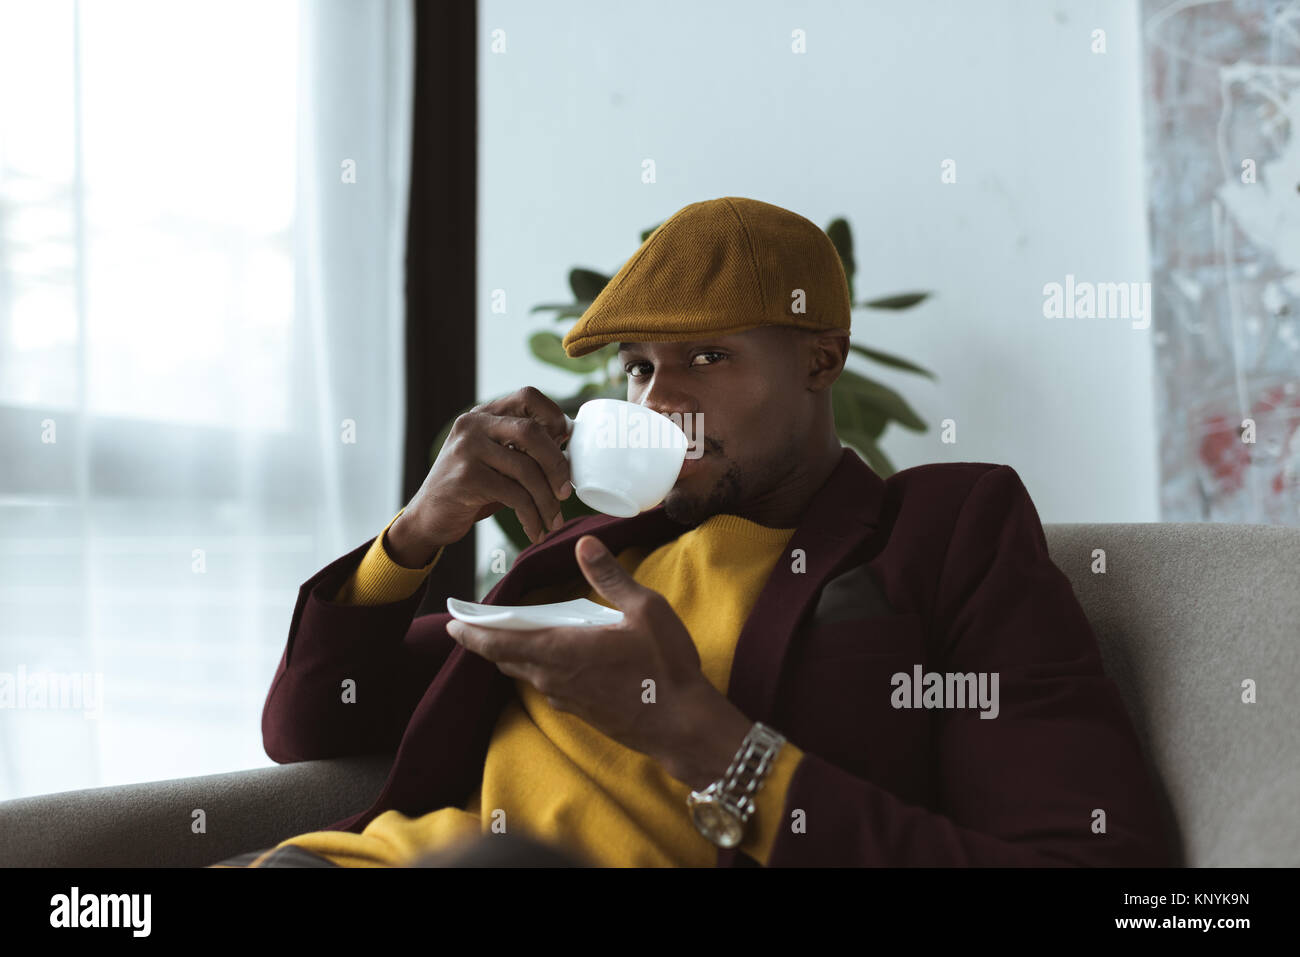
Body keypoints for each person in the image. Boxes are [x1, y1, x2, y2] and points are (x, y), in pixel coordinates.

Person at [211, 197, 1173, 868]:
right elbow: (307, 727)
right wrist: (416, 533)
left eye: (706, 356)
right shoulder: (593, 554)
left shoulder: (941, 533)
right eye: (636, 367)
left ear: (821, 358)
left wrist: (703, 739)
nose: (658, 398)